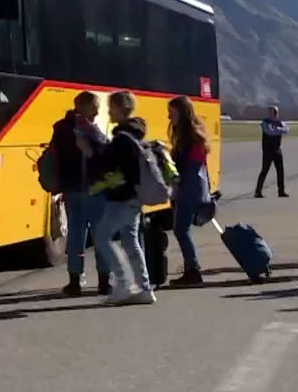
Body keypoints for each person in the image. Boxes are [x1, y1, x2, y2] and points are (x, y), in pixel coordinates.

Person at [78, 91, 156, 305]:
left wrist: (90, 152)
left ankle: (124, 285)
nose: (108, 111)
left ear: (121, 109)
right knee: (130, 241)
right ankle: (144, 288)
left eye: (111, 107)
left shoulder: (122, 138)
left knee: (102, 238)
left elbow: (109, 165)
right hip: (133, 197)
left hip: (121, 198)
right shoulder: (133, 134)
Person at [48, 91, 111, 296]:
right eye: (94, 107)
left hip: (71, 188)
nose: (97, 111)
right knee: (100, 234)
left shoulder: (59, 127)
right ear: (83, 107)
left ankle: (74, 281)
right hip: (93, 187)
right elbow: (104, 152)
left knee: (75, 234)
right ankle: (104, 281)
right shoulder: (89, 128)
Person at [167, 95, 212, 287]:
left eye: (172, 113)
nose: (169, 118)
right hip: (187, 188)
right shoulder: (186, 135)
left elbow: (192, 166)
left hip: (189, 188)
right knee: (181, 229)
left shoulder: (193, 136)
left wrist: (176, 177)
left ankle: (193, 271)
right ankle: (191, 269)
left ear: (182, 113)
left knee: (181, 229)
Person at [254, 105, 289, 198]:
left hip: (277, 149)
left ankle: (281, 191)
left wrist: (277, 129)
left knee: (280, 171)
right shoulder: (265, 122)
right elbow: (269, 131)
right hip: (267, 150)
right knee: (264, 170)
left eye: (275, 112)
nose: (274, 114)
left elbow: (286, 130)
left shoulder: (280, 122)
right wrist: (278, 130)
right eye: (273, 112)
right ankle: (258, 191)